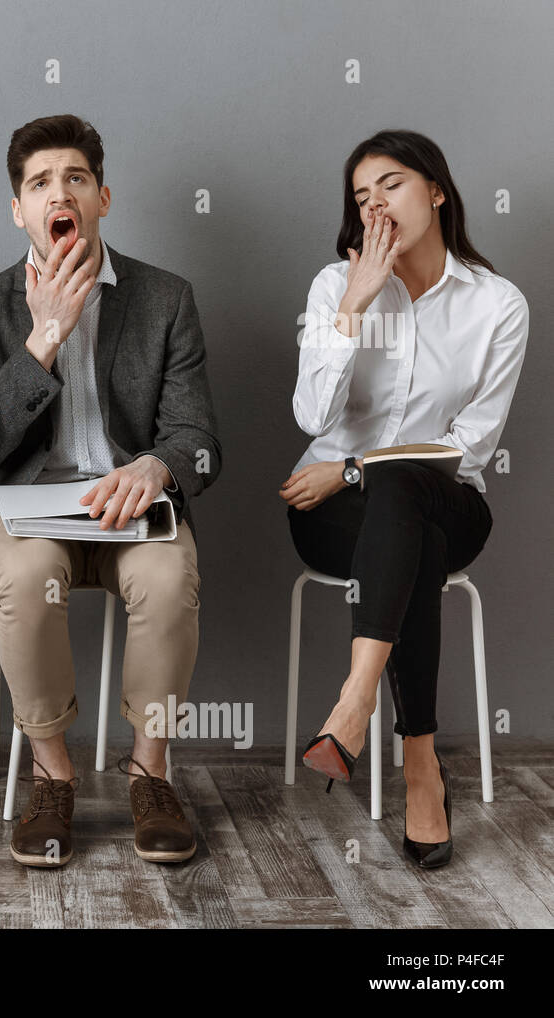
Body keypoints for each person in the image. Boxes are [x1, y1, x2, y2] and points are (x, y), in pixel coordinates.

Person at [0, 114, 222, 868]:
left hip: (131, 510)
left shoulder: (165, 297)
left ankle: (151, 773)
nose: (56, 192)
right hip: (32, 512)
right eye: (39, 183)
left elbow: (198, 436)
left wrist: (155, 467)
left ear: (102, 197)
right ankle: (52, 775)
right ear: (18, 210)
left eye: (73, 178)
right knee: (28, 577)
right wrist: (43, 341)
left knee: (170, 577)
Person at [282, 129, 528, 869]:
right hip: (335, 517)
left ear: (437, 191)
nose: (376, 205)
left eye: (391, 184)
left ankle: (354, 703)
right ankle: (419, 765)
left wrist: (355, 467)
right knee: (407, 533)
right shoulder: (336, 286)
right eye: (362, 197)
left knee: (408, 487)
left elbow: (469, 447)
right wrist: (353, 309)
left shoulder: (497, 305)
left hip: (451, 503)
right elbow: (310, 419)